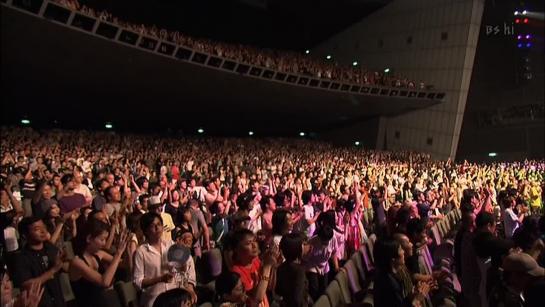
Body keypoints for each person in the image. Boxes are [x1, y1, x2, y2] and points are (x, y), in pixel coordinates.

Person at [133, 212, 196, 307]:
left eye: (159, 224)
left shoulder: (170, 245)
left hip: (174, 298)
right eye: (152, 226)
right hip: (154, 300)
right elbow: (138, 282)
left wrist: (189, 286)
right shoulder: (141, 251)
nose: (157, 228)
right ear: (146, 230)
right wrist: (160, 279)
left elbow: (185, 268)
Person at [69, 219, 128, 307]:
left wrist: (129, 250)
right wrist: (118, 253)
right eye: (102, 239)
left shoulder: (100, 254)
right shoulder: (77, 262)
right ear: (89, 238)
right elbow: (104, 282)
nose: (104, 244)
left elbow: (124, 265)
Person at [12, 217, 66, 307]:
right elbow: (26, 285)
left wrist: (63, 261)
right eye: (37, 229)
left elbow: (63, 268)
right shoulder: (20, 258)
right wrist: (52, 270)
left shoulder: (50, 248)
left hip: (58, 301)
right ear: (25, 235)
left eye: (44, 227)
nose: (43, 231)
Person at [373, 238, 429, 307]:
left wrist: (414, 294)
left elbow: (399, 303)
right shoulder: (389, 284)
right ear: (393, 259)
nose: (403, 252)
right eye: (400, 249)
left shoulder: (388, 276)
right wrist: (417, 299)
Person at [230, 229, 278, 307]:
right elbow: (256, 300)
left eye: (254, 241)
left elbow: (269, 286)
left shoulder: (255, 261)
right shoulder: (237, 272)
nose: (254, 245)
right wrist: (267, 267)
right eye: (249, 243)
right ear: (237, 249)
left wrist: (273, 265)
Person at [302, 224, 339, 301]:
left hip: (324, 266)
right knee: (314, 288)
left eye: (327, 241)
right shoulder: (312, 242)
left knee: (324, 288)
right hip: (312, 266)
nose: (325, 243)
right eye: (323, 241)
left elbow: (334, 252)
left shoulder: (333, 239)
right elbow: (305, 259)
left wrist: (336, 266)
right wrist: (308, 253)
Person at [276, 232, 309, 307]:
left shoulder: (280, 267)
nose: (307, 246)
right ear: (298, 248)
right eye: (304, 244)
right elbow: (297, 299)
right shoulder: (299, 271)